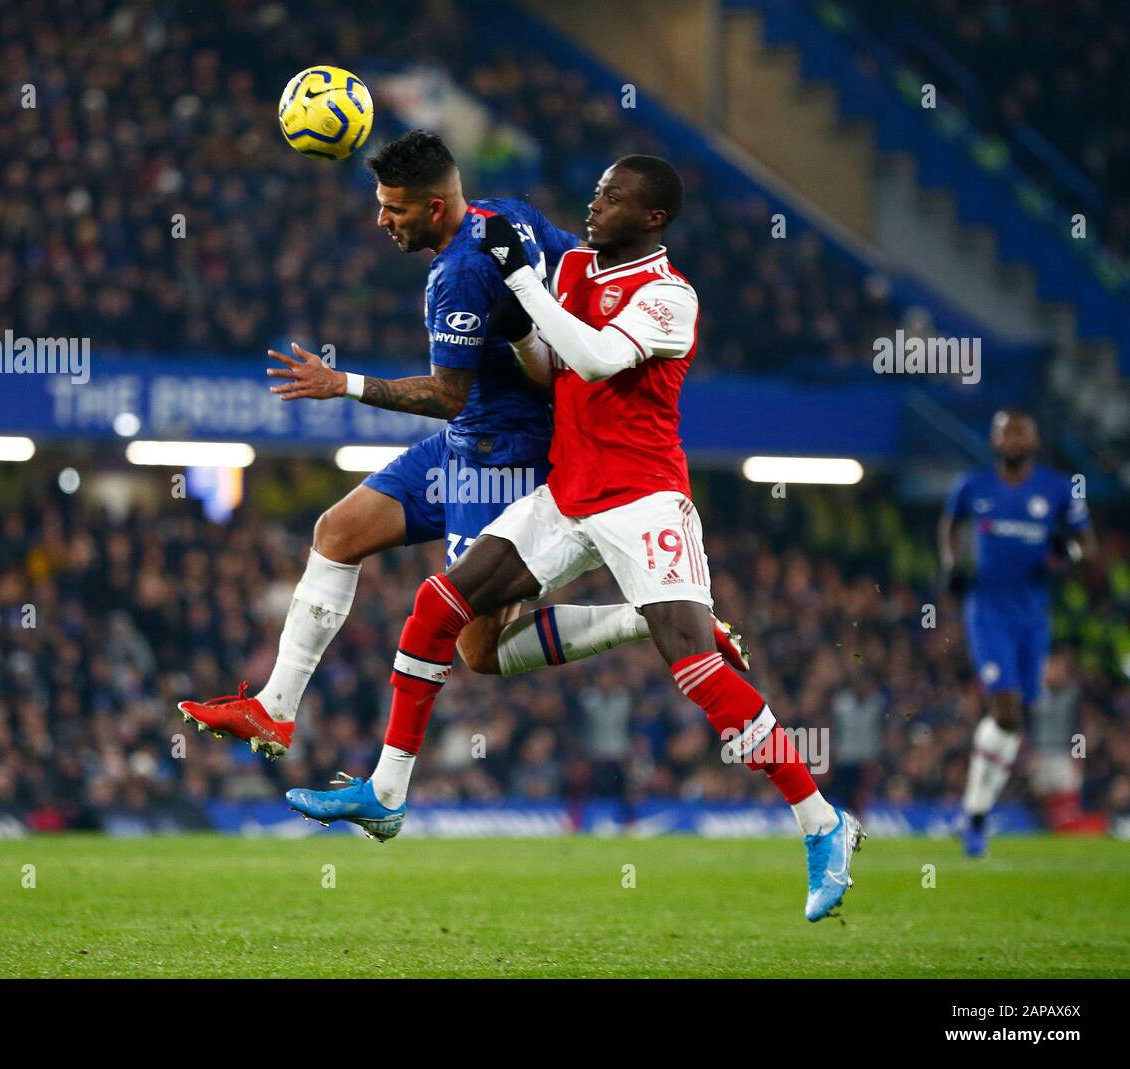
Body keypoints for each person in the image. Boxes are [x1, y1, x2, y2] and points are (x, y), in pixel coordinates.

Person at [287, 155, 864, 922]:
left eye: (612, 197)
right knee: (439, 606)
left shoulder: (670, 295)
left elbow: (596, 358)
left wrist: (522, 281)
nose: (594, 206)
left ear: (652, 216)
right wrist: (516, 316)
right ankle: (386, 792)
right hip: (567, 493)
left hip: (645, 502)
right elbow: (550, 362)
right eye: (593, 192)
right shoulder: (577, 271)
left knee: (695, 667)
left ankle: (823, 823)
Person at [177, 131, 747, 756]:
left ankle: (651, 618)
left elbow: (447, 394)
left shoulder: (458, 275)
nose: (382, 220)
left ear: (435, 208)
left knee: (480, 650)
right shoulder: (511, 215)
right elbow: (581, 264)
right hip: (464, 441)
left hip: (506, 455)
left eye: (394, 209)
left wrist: (345, 384)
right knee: (337, 532)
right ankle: (275, 709)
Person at [940, 410, 1095, 857]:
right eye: (1005, 432)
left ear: (1034, 441)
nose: (1012, 439)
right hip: (987, 612)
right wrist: (953, 566)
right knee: (1006, 711)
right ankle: (974, 817)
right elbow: (949, 527)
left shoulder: (1059, 489)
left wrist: (1068, 551)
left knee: (1015, 719)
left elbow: (1087, 547)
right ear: (994, 441)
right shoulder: (973, 486)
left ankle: (975, 816)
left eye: (1020, 432)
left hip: (1033, 616)